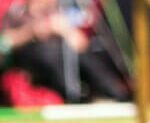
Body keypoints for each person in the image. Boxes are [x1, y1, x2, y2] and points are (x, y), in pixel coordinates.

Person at [1, 0, 129, 102]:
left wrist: (66, 31)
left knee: (86, 57)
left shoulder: (60, 14)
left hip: (67, 58)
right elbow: (4, 43)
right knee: (50, 53)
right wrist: (32, 31)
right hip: (33, 63)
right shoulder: (16, 13)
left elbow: (81, 43)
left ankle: (118, 93)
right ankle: (73, 96)